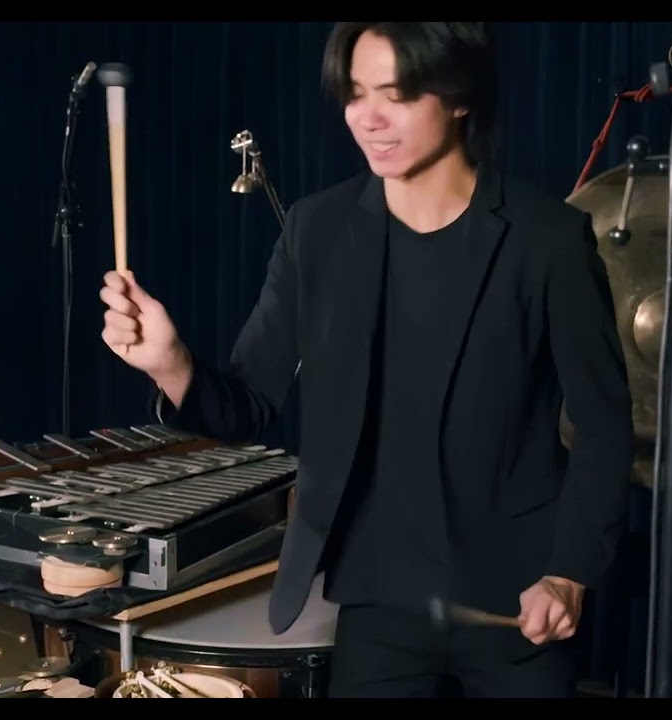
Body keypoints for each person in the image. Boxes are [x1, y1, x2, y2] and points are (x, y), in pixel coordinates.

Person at [98, 21, 634, 698]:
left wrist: (569, 573)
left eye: (397, 95)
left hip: (520, 601)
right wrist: (170, 363)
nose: (368, 118)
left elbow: (605, 424)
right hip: (378, 603)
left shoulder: (547, 239)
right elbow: (247, 404)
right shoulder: (317, 231)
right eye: (356, 94)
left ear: (460, 96)